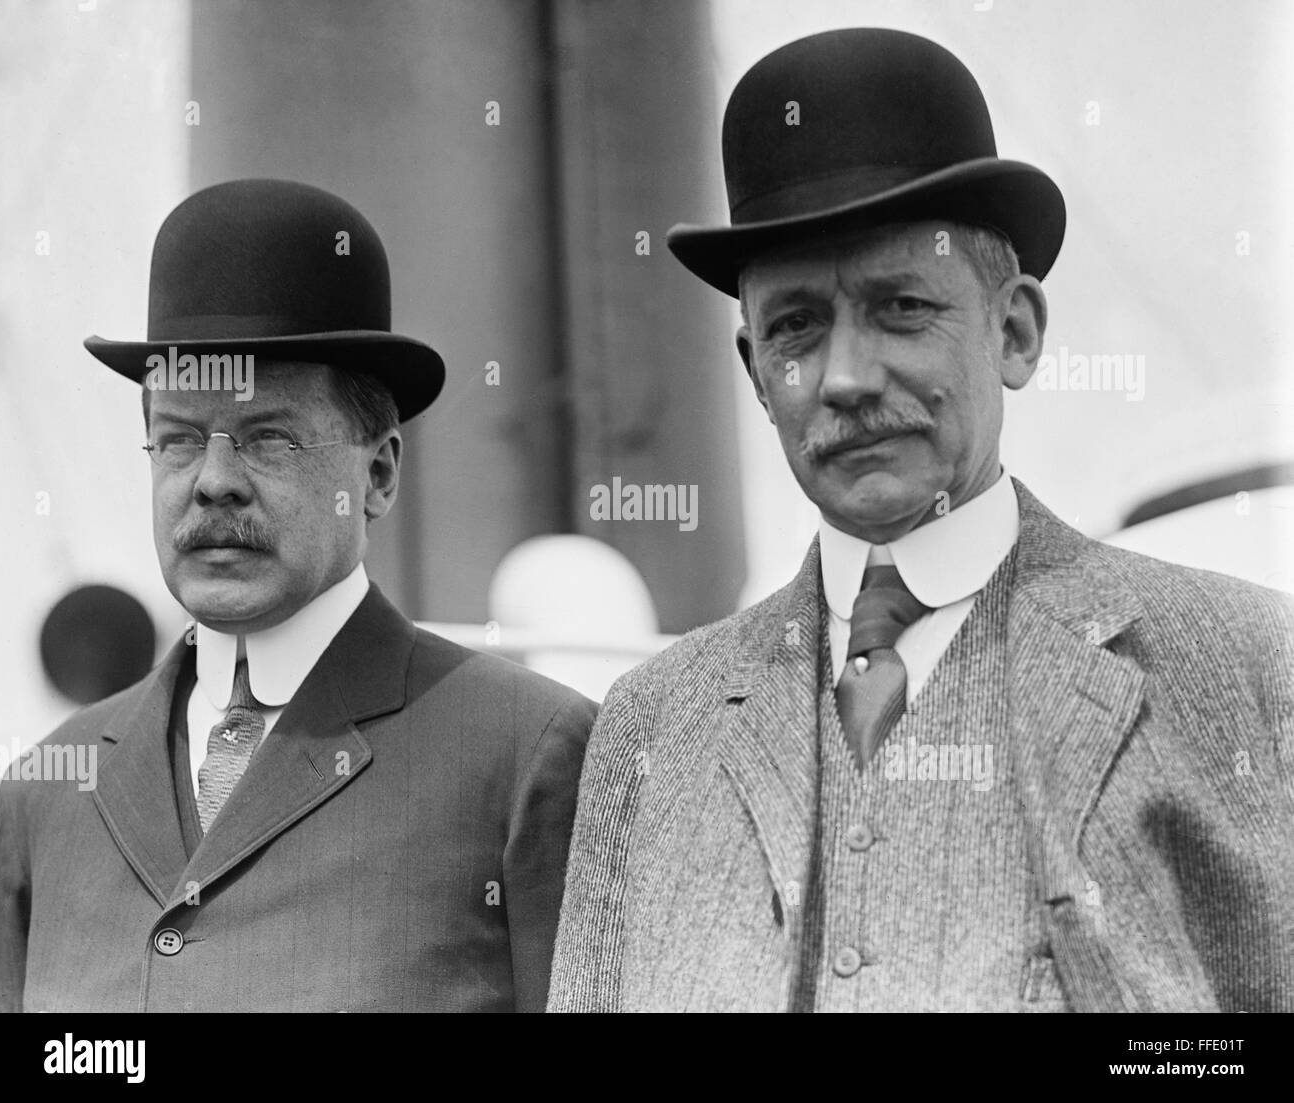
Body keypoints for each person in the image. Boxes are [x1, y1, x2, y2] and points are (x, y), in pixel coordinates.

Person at [548, 28, 1294, 1012]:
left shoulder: (1244, 669)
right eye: (796, 326)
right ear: (756, 375)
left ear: (1016, 331)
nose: (847, 378)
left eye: (900, 306)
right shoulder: (649, 726)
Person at [0, 178, 595, 1012]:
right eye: (176, 441)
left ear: (378, 472)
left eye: (266, 437)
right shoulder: (43, 797)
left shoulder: (528, 755)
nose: (211, 484)